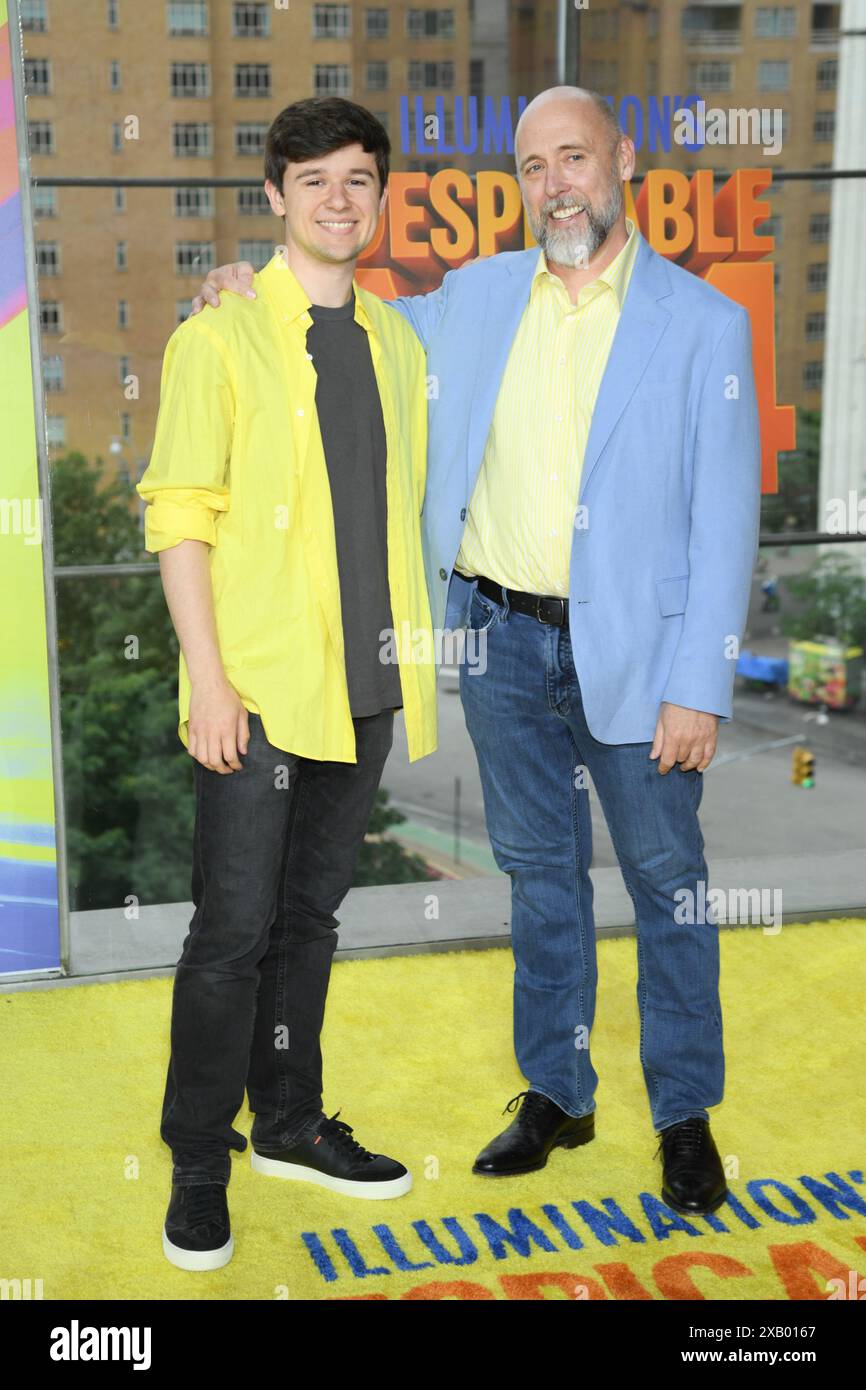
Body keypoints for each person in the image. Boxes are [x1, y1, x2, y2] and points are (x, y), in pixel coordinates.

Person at [194, 86, 762, 1217]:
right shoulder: (473, 299)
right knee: (539, 882)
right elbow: (335, 310)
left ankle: (682, 1111)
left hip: (642, 666)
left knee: (666, 886)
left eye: (573, 157)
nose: (555, 182)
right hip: (500, 644)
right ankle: (555, 1089)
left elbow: (723, 520)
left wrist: (699, 681)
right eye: (533, 165)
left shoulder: (703, 324)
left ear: (620, 161)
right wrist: (236, 288)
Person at [137, 97, 436, 1272]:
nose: (337, 199)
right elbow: (179, 516)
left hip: (361, 682)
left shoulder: (397, 340)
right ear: (274, 196)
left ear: (378, 194)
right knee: (230, 932)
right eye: (313, 181)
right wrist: (207, 680)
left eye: (358, 179)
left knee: (309, 921)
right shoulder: (218, 335)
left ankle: (291, 1121)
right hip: (255, 689)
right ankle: (199, 1160)